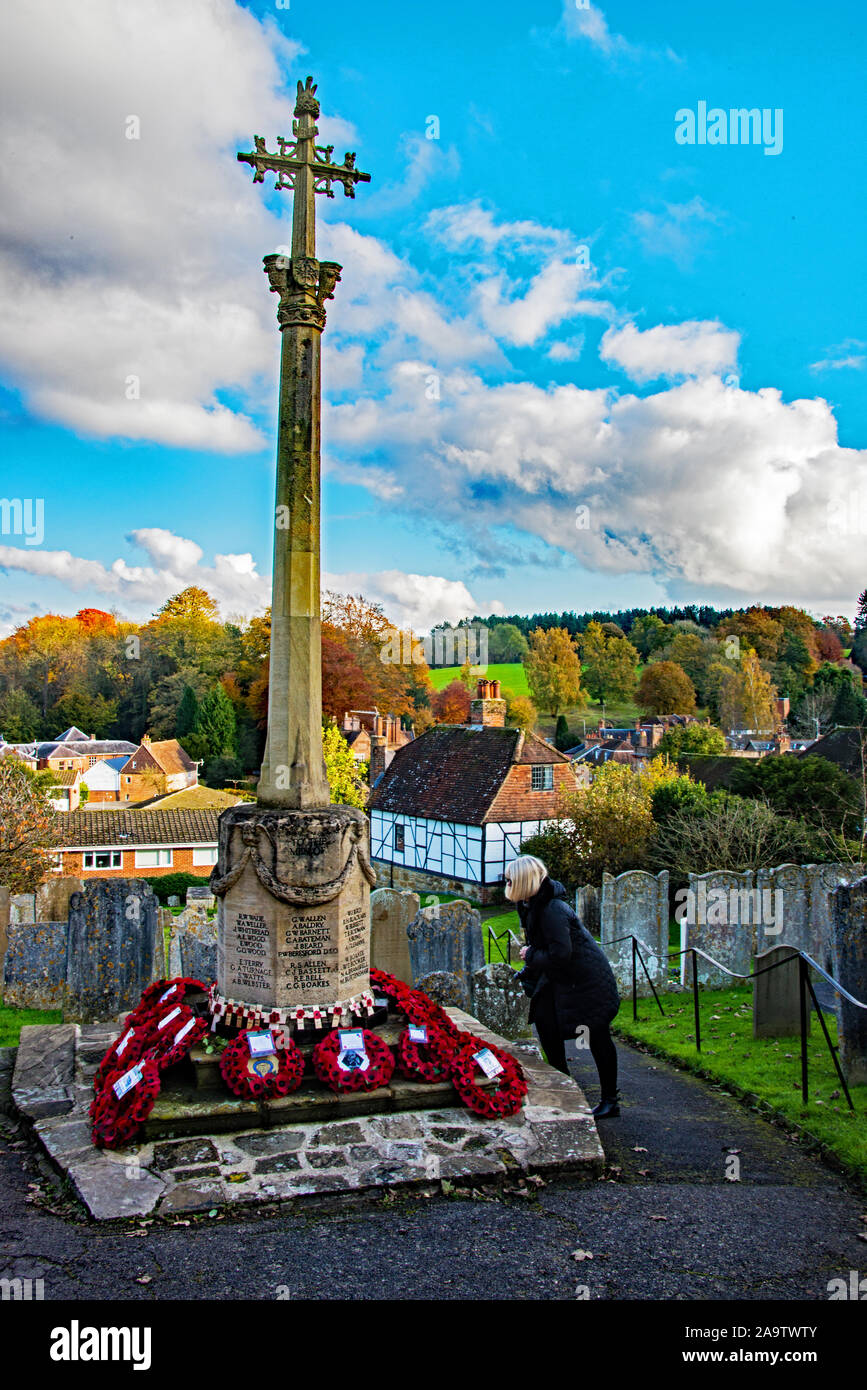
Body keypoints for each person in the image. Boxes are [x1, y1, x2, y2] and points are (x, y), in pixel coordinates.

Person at [506, 854, 621, 1118]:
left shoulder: (552, 909)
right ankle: (566, 1094)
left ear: (524, 881)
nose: (507, 883)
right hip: (559, 979)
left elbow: (560, 954)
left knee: (596, 1034)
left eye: (511, 879)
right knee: (547, 1029)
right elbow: (542, 946)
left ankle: (610, 1101)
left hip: (587, 981)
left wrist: (530, 955)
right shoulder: (529, 904)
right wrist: (530, 965)